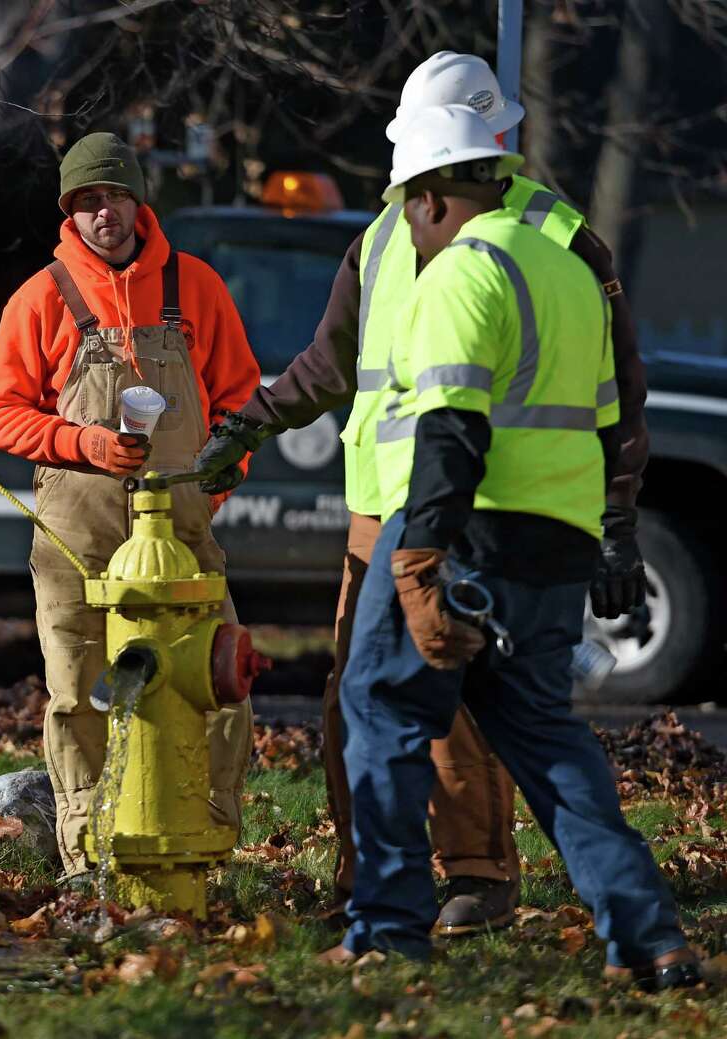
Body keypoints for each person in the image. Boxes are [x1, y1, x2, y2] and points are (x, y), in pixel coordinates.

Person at [194, 51, 650, 934]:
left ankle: (473, 878)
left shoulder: (553, 237)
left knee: (455, 704)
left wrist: (616, 517)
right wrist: (252, 419)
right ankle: (368, 880)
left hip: (480, 508)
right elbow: (333, 361)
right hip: (383, 509)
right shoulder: (383, 235)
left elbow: (616, 395)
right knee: (358, 702)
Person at [316, 104, 699, 987]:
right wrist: (614, 534)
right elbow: (611, 420)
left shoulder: (463, 271)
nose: (409, 226)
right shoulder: (567, 271)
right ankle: (647, 935)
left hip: (465, 536)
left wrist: (418, 557)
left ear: (433, 194)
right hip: (553, 549)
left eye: (410, 204)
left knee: (380, 711)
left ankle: (386, 926)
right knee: (543, 735)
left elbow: (450, 428)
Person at [0, 132, 260, 877]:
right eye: (88, 201)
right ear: (71, 212)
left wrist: (216, 483)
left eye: (116, 196)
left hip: (184, 537)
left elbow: (238, 402)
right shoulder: (42, 296)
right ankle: (88, 853)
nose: (105, 212)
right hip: (78, 534)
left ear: (140, 202)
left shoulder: (195, 286)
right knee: (79, 692)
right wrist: (81, 442)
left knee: (221, 679)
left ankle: (208, 839)